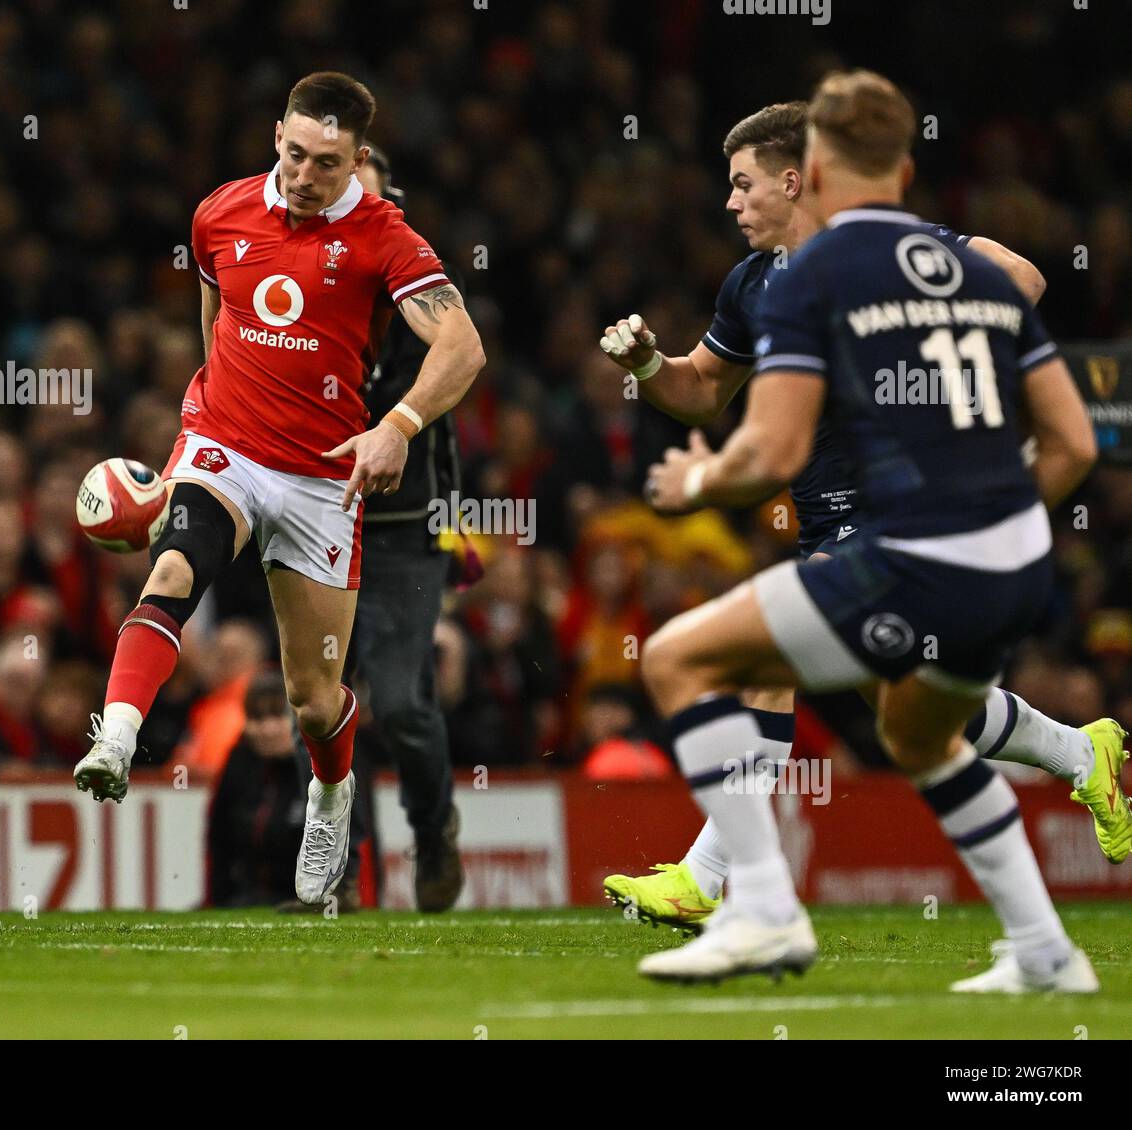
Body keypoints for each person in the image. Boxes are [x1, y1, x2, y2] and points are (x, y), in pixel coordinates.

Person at [598, 99, 1128, 932]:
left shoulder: (883, 251)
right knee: (910, 713)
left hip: (900, 514)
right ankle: (1075, 755)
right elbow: (701, 388)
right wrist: (647, 363)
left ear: (790, 178)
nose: (730, 204)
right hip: (832, 521)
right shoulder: (753, 283)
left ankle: (710, 882)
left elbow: (1022, 279)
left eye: (741, 186)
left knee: (760, 658)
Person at [73, 72, 485, 908]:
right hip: (226, 448)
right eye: (294, 153)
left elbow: (464, 347)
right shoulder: (219, 211)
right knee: (176, 568)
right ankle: (116, 738)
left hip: (322, 477)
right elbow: (213, 317)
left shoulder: (382, 235)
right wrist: (208, 418)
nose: (304, 174)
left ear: (357, 160)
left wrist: (395, 425)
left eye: (327, 162)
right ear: (276, 136)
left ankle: (330, 794)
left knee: (312, 697)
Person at [287, 146, 464, 913]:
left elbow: (461, 384)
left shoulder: (420, 290)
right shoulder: (298, 287)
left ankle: (432, 830)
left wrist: (453, 540)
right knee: (318, 703)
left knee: (397, 703)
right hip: (313, 518)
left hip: (399, 534)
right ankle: (338, 880)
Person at [208, 670, 307, 908]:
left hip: (305, 902)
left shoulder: (322, 770)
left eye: (278, 716)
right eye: (257, 718)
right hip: (245, 899)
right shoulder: (239, 762)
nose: (267, 729)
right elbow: (218, 842)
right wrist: (217, 902)